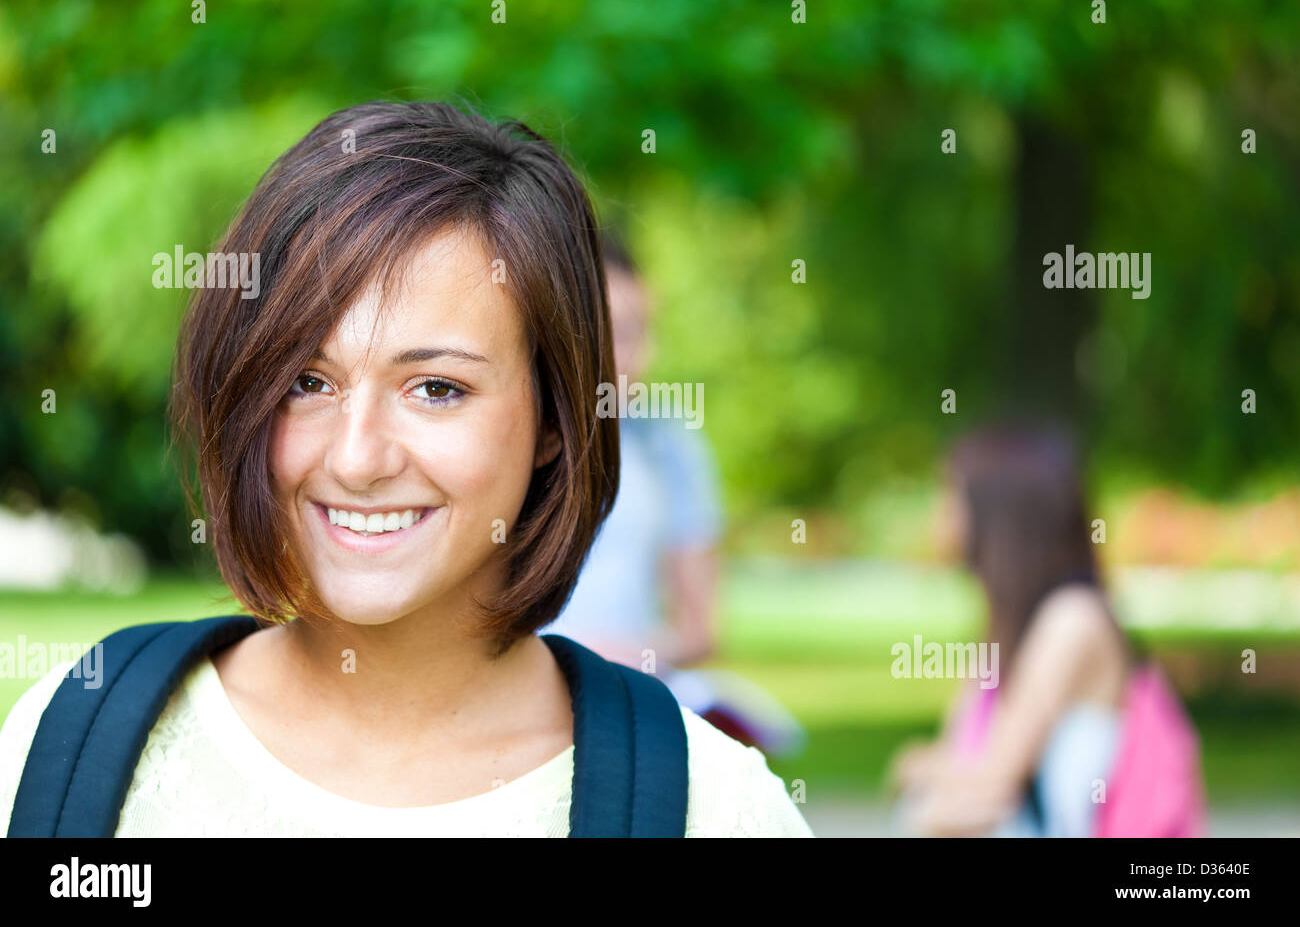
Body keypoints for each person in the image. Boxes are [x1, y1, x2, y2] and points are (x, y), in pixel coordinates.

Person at [0, 101, 812, 837]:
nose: (357, 459)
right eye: (307, 382)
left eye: (436, 389)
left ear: (555, 424)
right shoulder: (74, 750)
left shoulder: (712, 809)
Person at [540, 234, 806, 757]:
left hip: (624, 707)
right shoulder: (503, 445)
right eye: (612, 333)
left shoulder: (672, 450)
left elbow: (701, 629)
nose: (636, 357)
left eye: (640, 332)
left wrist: (612, 655)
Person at [888, 425, 1206, 837]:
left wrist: (918, 773)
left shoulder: (1072, 620)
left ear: (1000, 516)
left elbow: (989, 780)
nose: (939, 516)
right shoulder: (1007, 628)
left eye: (951, 497)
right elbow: (959, 761)